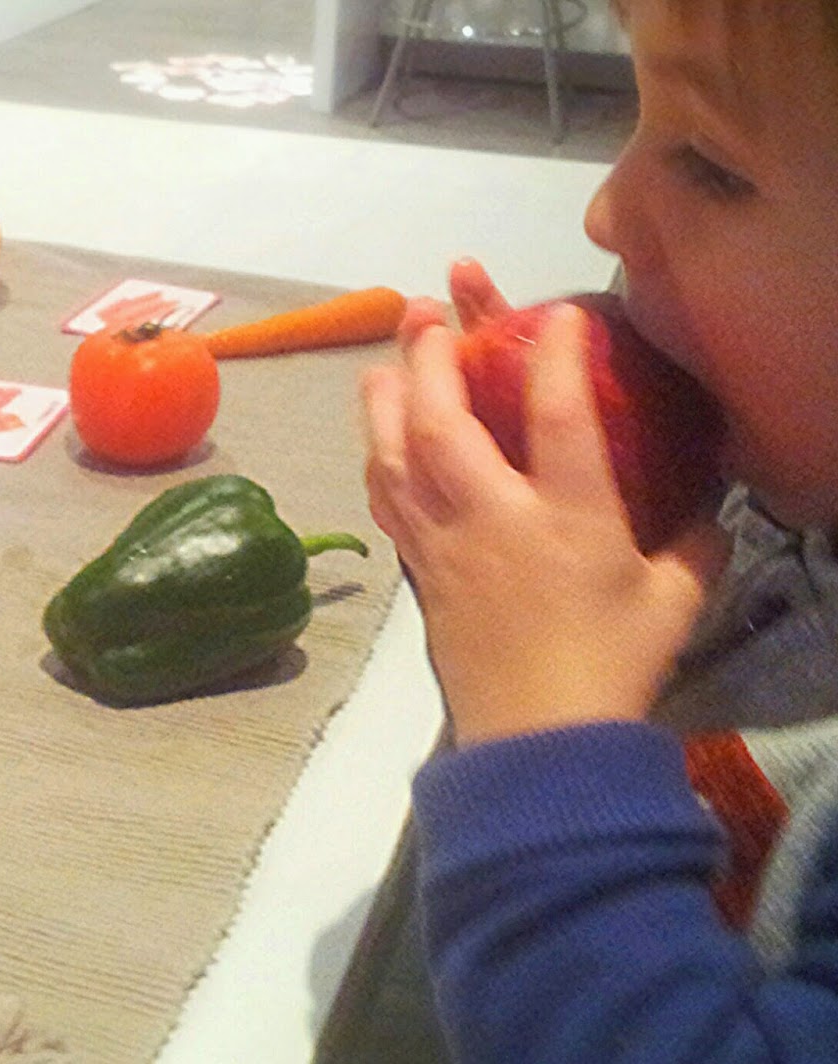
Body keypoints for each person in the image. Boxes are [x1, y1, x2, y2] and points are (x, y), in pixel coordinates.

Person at [354, 0, 838, 1060]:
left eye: (709, 165)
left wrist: (543, 737)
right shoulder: (781, 480)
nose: (605, 215)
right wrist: (505, 568)